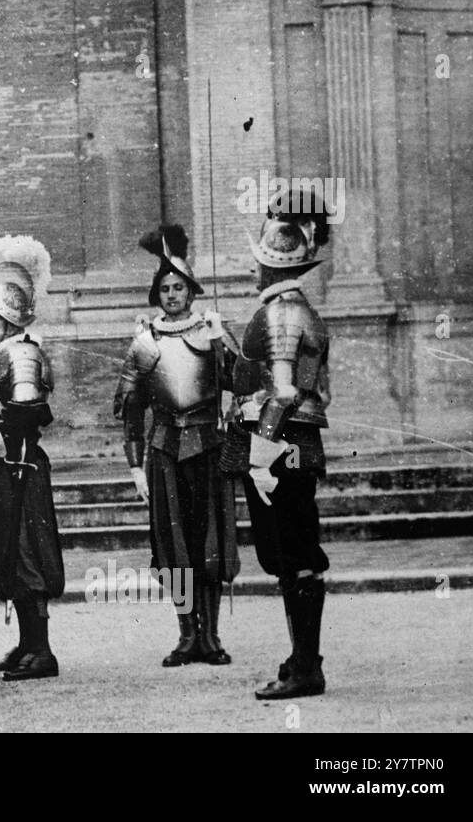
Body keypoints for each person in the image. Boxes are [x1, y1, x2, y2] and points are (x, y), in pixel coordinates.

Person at [221, 189, 332, 700]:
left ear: (271, 266)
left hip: (281, 443)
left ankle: (307, 666)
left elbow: (285, 391)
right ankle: (302, 656)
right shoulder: (288, 306)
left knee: (293, 550)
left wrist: (262, 453)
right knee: (288, 550)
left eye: (259, 262)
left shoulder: (283, 311)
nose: (254, 271)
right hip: (287, 440)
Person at [113, 226, 239, 667]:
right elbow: (131, 414)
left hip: (208, 447)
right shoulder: (145, 342)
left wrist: (225, 344)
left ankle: (213, 637)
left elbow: (242, 385)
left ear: (190, 290)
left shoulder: (211, 330)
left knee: (210, 543)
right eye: (165, 288)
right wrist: (134, 469)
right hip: (164, 450)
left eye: (178, 287)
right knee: (174, 546)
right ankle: (187, 635)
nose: (171, 294)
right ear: (156, 293)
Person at [0, 235, 65, 681]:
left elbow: (23, 416)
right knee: (8, 555)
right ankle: (25, 644)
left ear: (9, 319)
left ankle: (42, 652)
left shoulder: (21, 354)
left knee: (26, 556)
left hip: (20, 469)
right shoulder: (1, 355)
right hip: (3, 472)